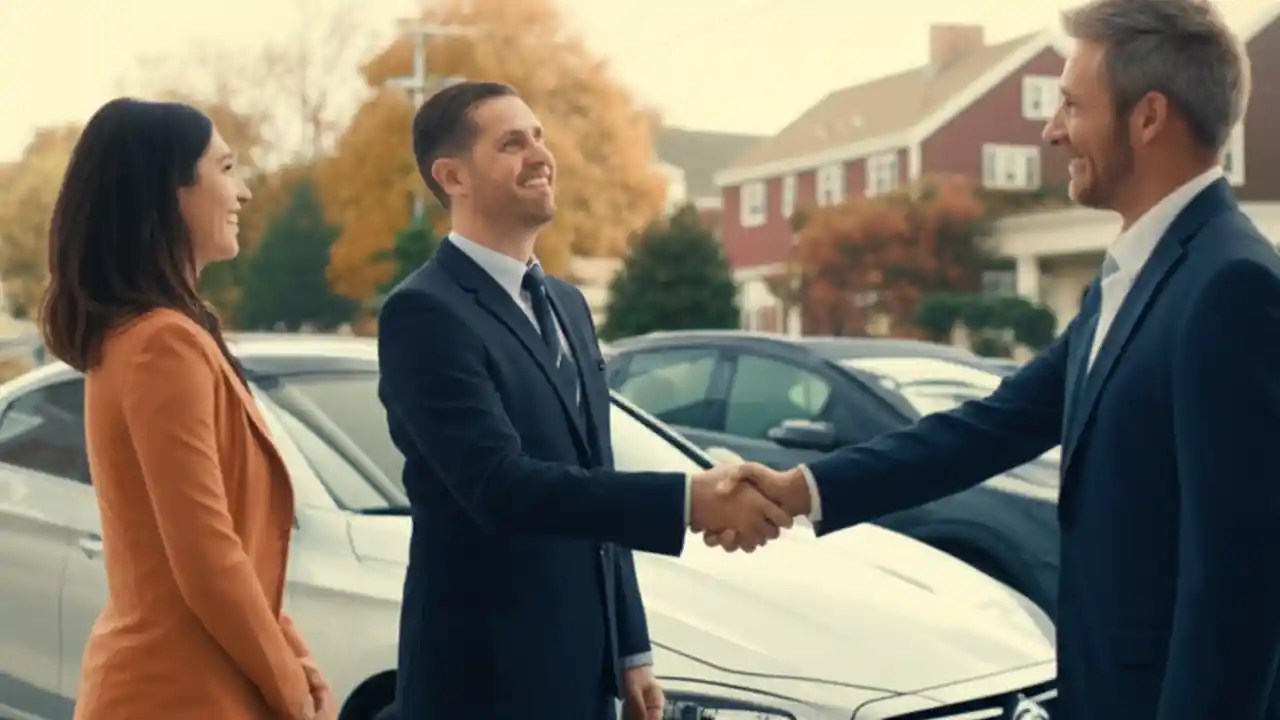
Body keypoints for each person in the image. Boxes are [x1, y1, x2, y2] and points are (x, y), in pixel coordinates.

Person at [713, 0, 1280, 717]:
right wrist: (801, 489)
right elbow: (987, 428)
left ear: (1148, 117)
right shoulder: (1130, 283)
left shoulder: (1231, 286)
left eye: (1071, 105)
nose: (1050, 131)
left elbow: (1238, 583)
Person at [375, 80, 792, 720]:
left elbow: (594, 478)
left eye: (539, 137)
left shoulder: (568, 305)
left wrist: (630, 648)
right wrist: (688, 499)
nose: (540, 155)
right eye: (511, 143)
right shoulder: (425, 313)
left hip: (584, 669)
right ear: (452, 175)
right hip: (484, 678)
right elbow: (499, 487)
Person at [39, 97, 334, 720]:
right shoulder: (160, 344)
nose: (244, 192)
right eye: (226, 169)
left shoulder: (158, 334)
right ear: (166, 194)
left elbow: (237, 555)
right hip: (175, 695)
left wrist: (296, 659)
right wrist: (290, 692)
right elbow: (205, 556)